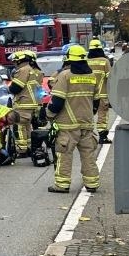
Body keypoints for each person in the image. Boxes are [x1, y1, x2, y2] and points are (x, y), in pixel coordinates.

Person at [45, 44, 100, 193]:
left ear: (68, 59)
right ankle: (92, 183)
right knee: (88, 154)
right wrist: (88, 116)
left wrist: (48, 115)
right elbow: (96, 101)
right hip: (87, 124)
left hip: (68, 125)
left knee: (64, 155)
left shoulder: (65, 76)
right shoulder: (92, 76)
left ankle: (62, 184)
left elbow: (57, 102)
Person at [9, 50, 43, 156]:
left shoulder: (23, 70)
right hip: (33, 103)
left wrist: (9, 87)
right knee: (27, 127)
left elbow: (15, 88)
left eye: (15, 61)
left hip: (23, 103)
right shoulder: (34, 71)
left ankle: (22, 150)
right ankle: (28, 147)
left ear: (19, 61)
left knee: (19, 126)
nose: (14, 64)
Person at [86, 39, 112, 144]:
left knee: (87, 115)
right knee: (102, 115)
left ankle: (87, 137)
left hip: (88, 95)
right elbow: (110, 77)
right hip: (102, 94)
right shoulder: (104, 61)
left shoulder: (86, 61)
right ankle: (102, 136)